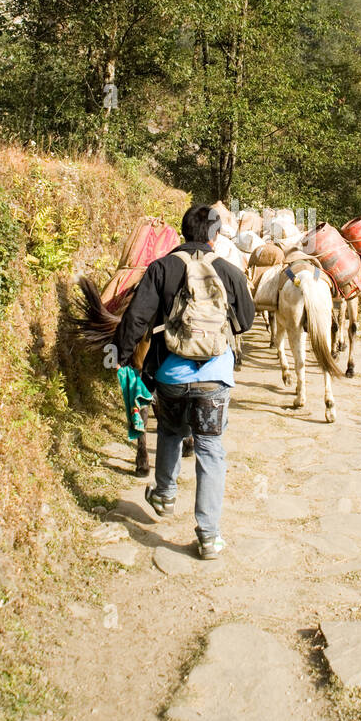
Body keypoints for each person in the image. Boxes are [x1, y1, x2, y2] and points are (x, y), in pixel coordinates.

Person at [114, 204, 256, 559]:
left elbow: (135, 318)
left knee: (171, 431)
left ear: (181, 232)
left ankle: (164, 494)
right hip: (215, 378)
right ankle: (208, 536)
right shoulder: (228, 270)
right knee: (210, 449)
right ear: (213, 234)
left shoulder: (160, 268)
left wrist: (117, 354)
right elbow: (247, 320)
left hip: (170, 375)